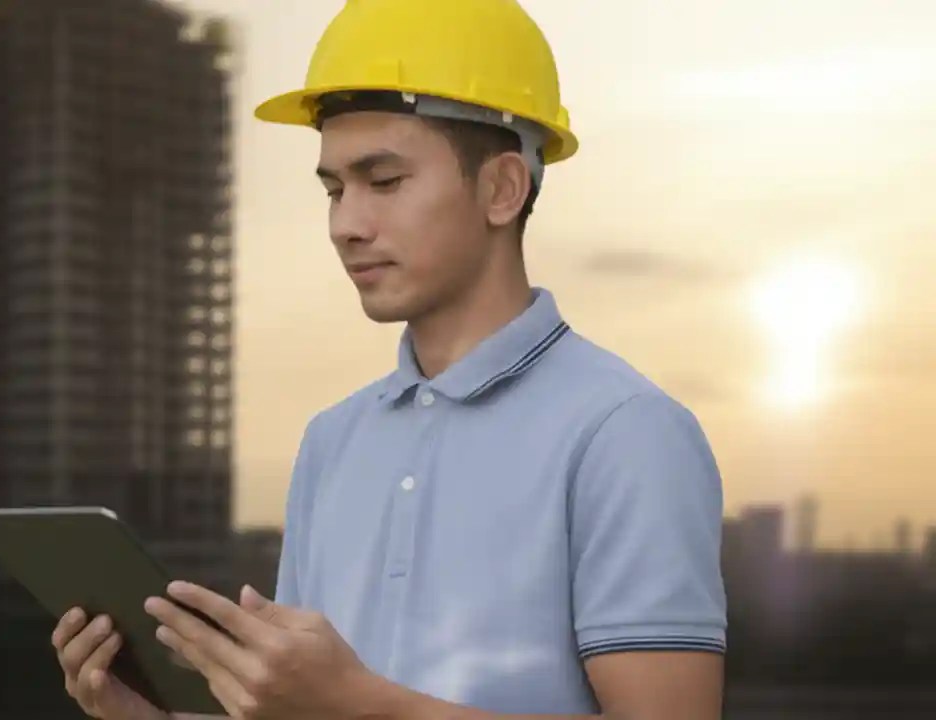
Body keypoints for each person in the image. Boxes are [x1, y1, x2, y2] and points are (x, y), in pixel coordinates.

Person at [51, 0, 728, 718]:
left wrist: (358, 702)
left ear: (502, 189)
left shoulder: (626, 434)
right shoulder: (333, 441)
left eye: (384, 181)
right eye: (335, 189)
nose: (346, 225)